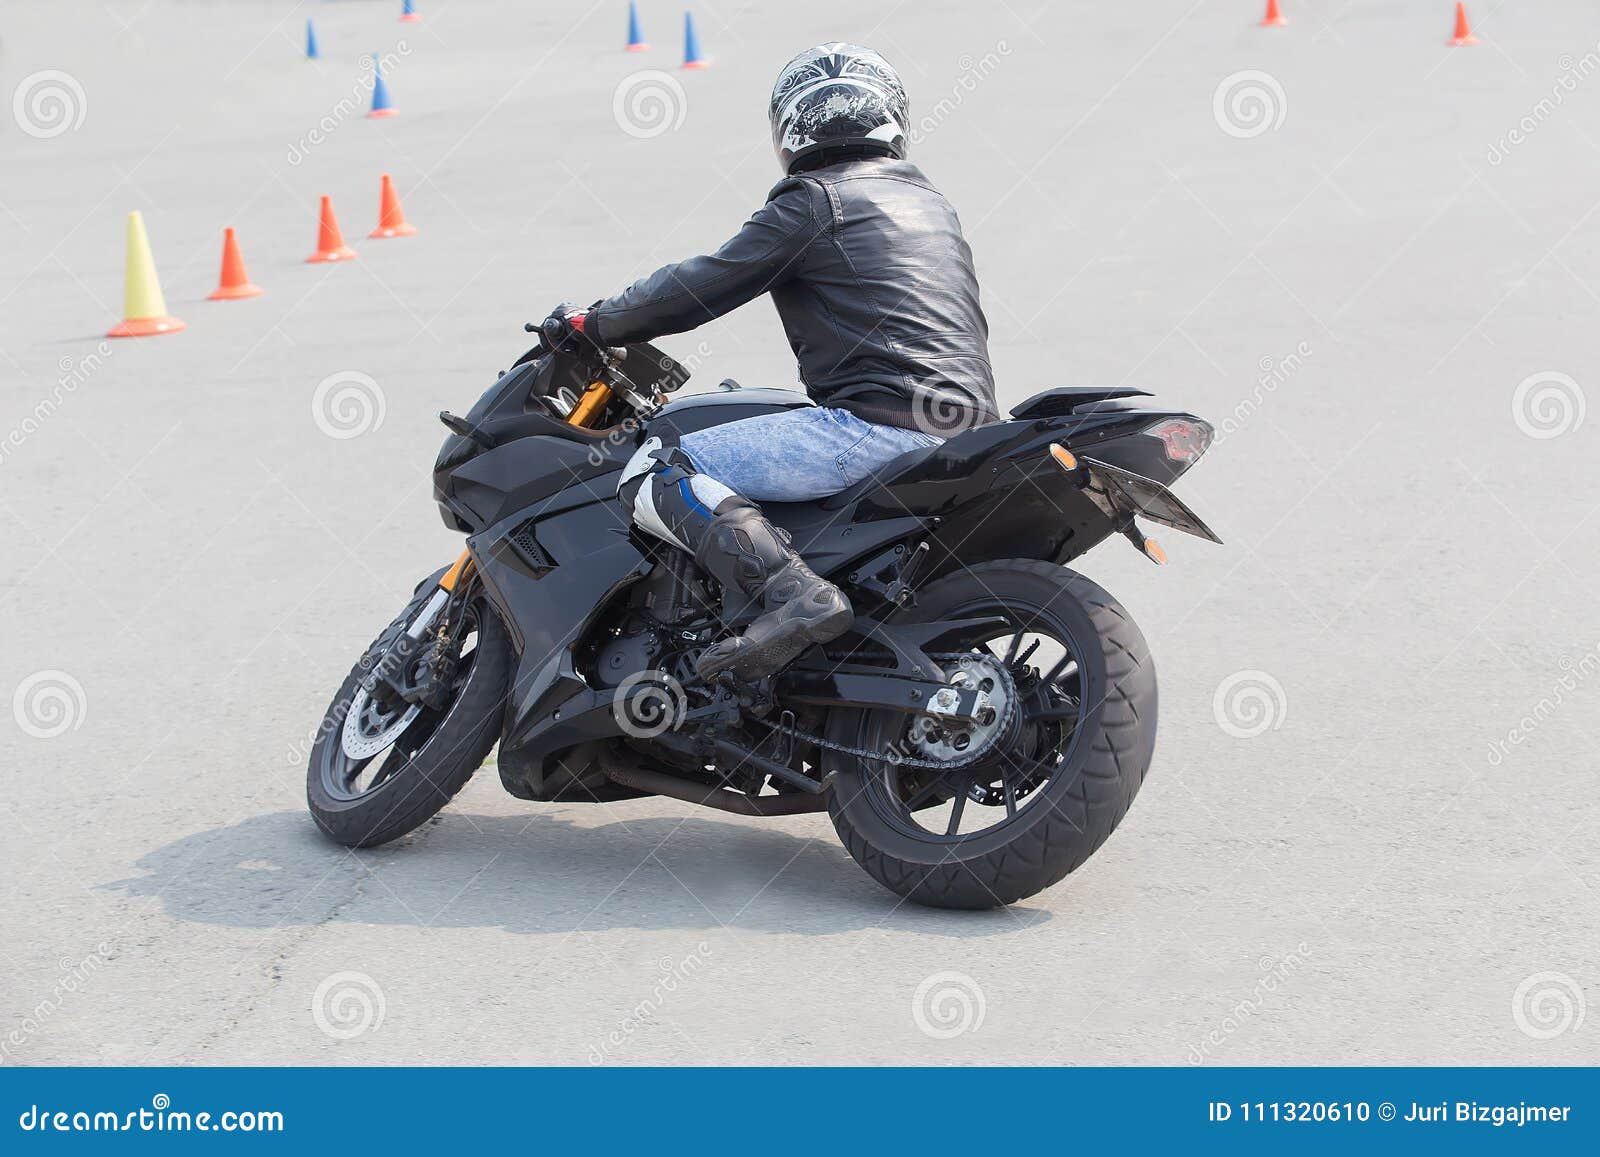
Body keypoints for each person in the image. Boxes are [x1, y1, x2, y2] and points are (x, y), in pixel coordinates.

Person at [547, 43, 997, 682]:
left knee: (657, 464)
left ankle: (792, 595)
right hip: (967, 428)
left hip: (875, 426)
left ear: (790, 127)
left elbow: (701, 286)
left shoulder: (815, 202)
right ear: (891, 117)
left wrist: (596, 322)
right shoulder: (930, 206)